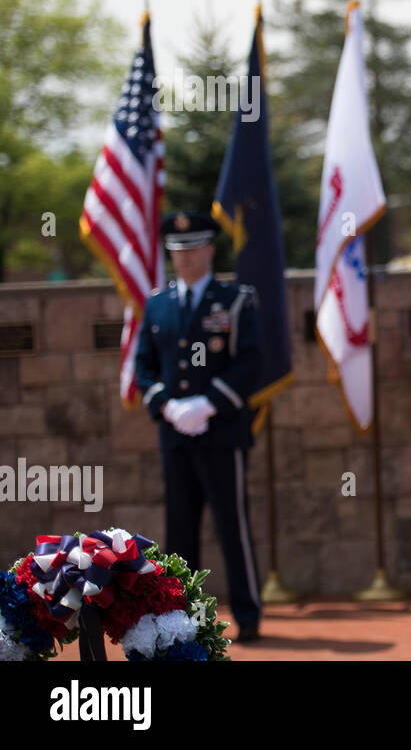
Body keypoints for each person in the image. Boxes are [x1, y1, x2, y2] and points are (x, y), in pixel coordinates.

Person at [135, 211, 264, 641]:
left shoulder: (235, 300)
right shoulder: (157, 304)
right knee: (179, 530)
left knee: (233, 526)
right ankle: (181, 621)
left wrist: (208, 403)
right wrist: (167, 406)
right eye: (177, 251)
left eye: (193, 249)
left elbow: (251, 362)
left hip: (221, 431)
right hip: (174, 434)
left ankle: (247, 616)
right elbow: (145, 367)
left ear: (210, 249)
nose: (185, 258)